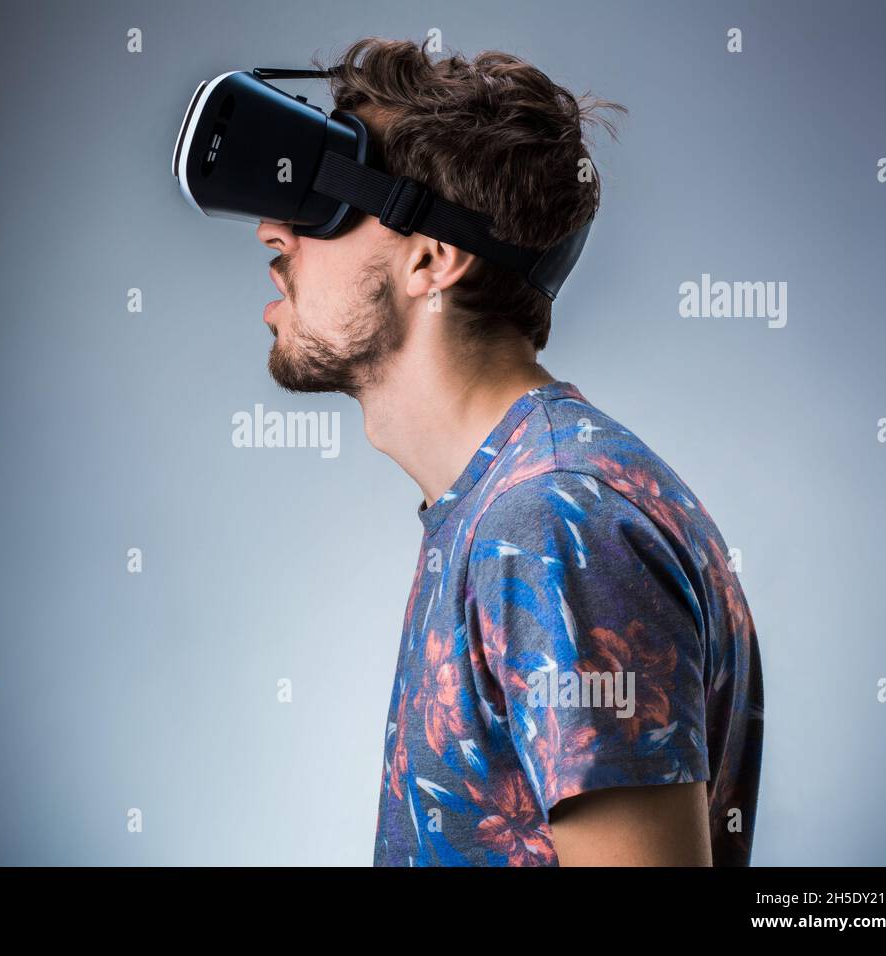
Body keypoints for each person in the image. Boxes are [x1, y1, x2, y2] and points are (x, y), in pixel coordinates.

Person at [255, 37, 763, 866]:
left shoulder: (554, 523)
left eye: (327, 202)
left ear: (431, 259)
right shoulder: (507, 500)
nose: (276, 231)